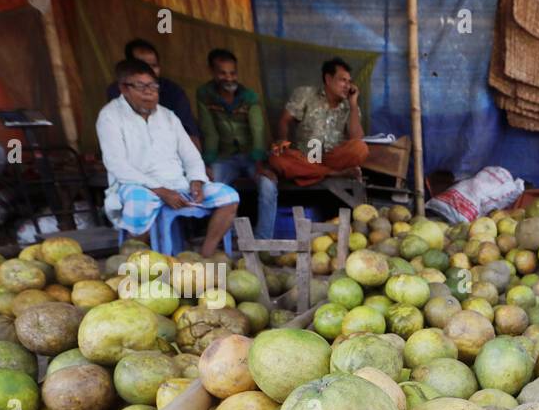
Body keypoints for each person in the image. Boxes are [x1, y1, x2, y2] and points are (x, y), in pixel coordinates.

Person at [96, 58, 238, 257]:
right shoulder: (110, 116)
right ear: (124, 88)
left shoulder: (168, 116)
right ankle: (135, 259)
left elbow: (191, 156)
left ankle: (205, 256)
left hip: (177, 183)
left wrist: (196, 181)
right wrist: (160, 190)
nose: (150, 92)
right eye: (141, 86)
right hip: (135, 184)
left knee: (229, 196)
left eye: (153, 86)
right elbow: (116, 164)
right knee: (140, 202)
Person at [197, 48, 278, 240]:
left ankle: (263, 241)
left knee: (268, 186)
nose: (228, 78)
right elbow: (209, 132)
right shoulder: (204, 95)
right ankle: (231, 234)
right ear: (212, 72)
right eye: (222, 73)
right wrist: (206, 163)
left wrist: (259, 163)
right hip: (223, 157)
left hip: (252, 157)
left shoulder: (249, 97)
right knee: (212, 185)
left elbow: (258, 130)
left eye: (232, 73)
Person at [269, 57, 368, 186]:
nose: (347, 86)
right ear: (328, 79)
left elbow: (357, 138)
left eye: (349, 82)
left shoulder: (350, 106)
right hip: (305, 158)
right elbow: (284, 121)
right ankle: (332, 173)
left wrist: (353, 104)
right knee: (276, 158)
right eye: (343, 80)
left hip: (334, 159)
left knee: (361, 149)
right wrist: (282, 143)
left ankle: (314, 173)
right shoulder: (305, 94)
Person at [105, 38, 201, 147]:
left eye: (154, 66)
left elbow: (191, 137)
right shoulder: (118, 90)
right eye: (143, 65)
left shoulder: (173, 91)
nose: (150, 71)